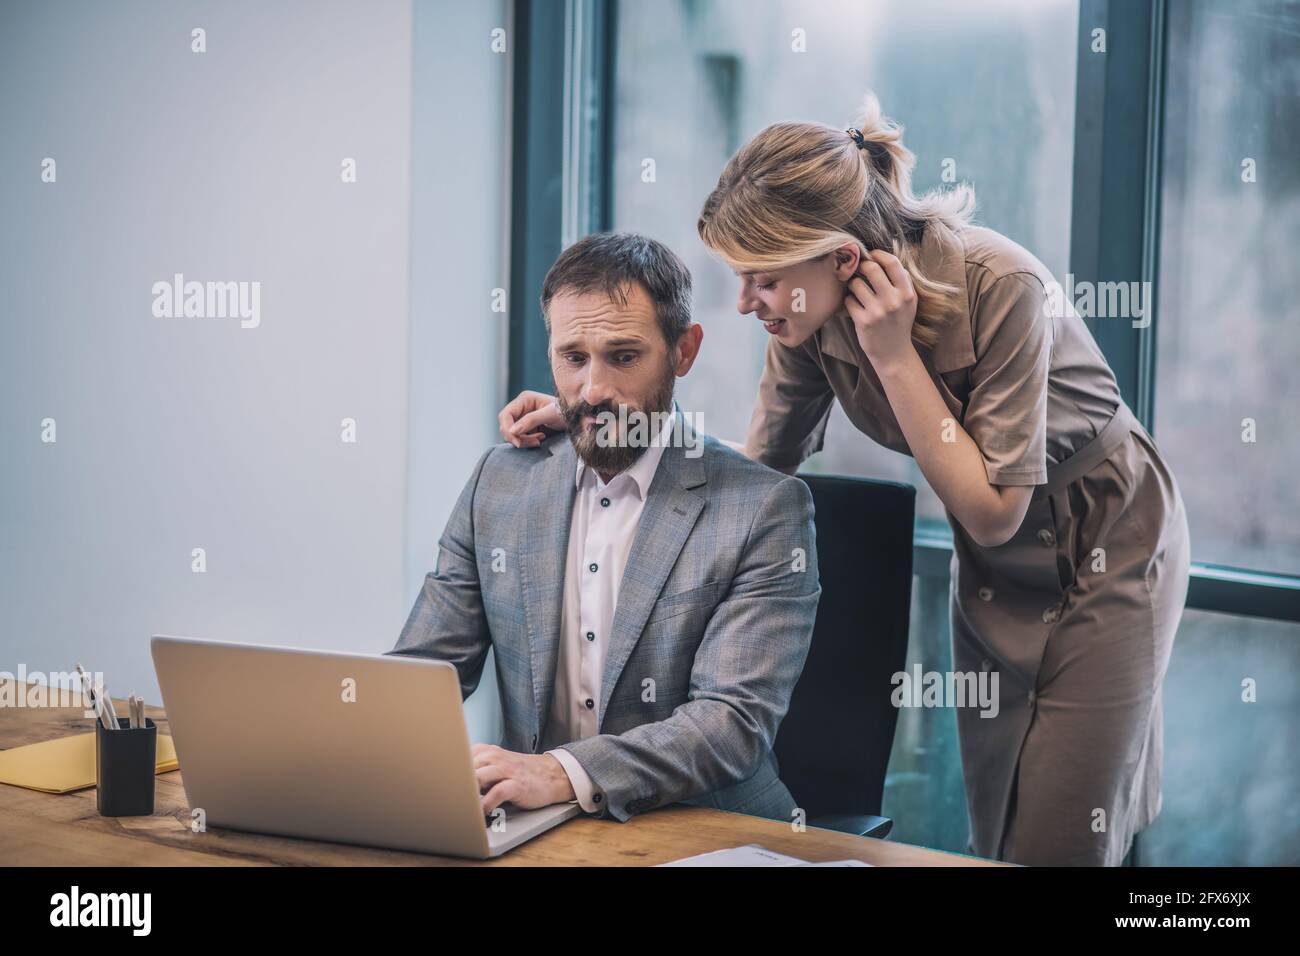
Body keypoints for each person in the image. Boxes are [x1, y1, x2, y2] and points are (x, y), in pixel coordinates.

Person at [498, 92, 1191, 866]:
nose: (745, 302)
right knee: (1000, 824)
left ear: (842, 259)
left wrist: (892, 355)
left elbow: (996, 509)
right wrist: (606, 417)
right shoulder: (803, 318)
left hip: (1110, 539)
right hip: (998, 568)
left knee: (1068, 828)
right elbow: (754, 471)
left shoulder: (1002, 285)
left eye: (760, 277)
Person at [389, 231, 819, 824]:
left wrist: (560, 772)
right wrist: (344, 743)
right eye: (573, 358)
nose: (594, 391)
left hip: (706, 832)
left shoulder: (764, 509)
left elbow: (731, 725)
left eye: (623, 356)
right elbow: (425, 672)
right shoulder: (500, 483)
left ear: (684, 351)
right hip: (536, 832)